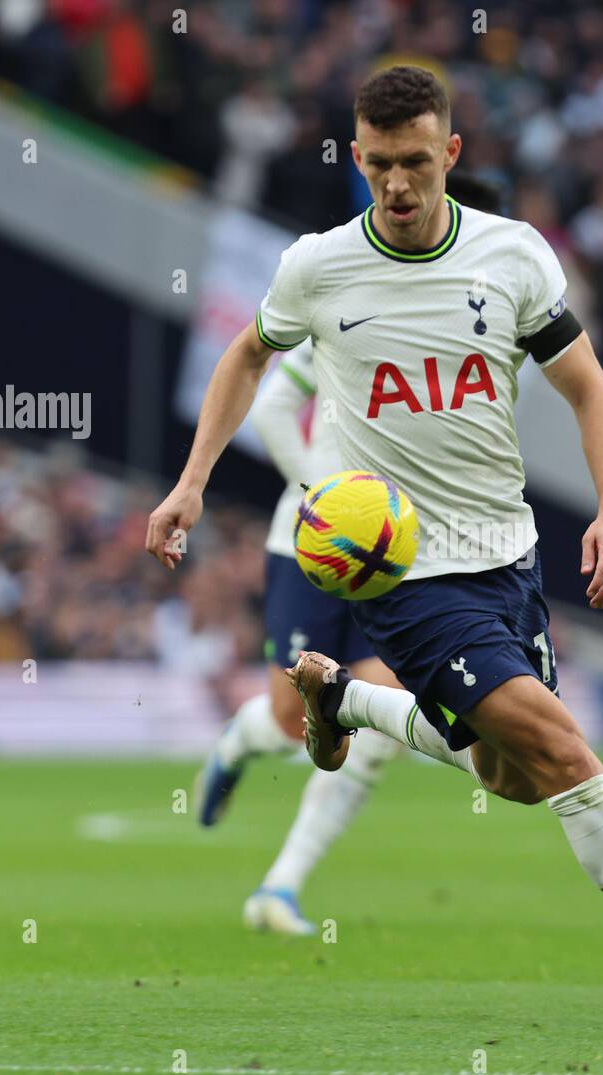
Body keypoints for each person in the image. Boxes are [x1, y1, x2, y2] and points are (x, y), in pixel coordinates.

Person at [149, 65, 603, 1025]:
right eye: (377, 165)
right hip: (405, 574)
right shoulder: (318, 267)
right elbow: (248, 356)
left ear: (450, 152)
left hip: (510, 559)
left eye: (415, 162)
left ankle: (350, 701)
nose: (398, 186)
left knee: (512, 776)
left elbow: (588, 388)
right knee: (567, 756)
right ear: (357, 157)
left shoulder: (515, 257)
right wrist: (192, 481)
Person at [194, 175, 509, 936]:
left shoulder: (478, 325)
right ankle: (239, 739)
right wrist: (325, 500)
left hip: (399, 561)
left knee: (368, 723)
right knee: (289, 713)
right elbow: (269, 399)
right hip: (313, 544)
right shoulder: (354, 310)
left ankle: (281, 886)